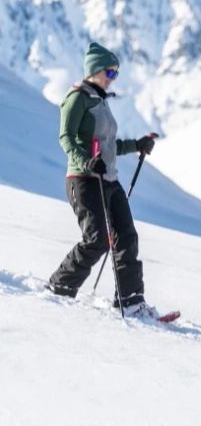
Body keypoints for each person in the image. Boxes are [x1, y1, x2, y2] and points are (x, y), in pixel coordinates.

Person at [47, 42, 160, 318]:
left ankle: (130, 301)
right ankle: (60, 285)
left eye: (116, 74)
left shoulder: (100, 101)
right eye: (110, 73)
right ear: (95, 71)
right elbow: (66, 137)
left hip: (108, 178)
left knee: (127, 237)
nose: (113, 79)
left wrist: (137, 145)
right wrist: (86, 161)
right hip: (84, 179)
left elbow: (108, 145)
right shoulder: (77, 97)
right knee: (97, 239)